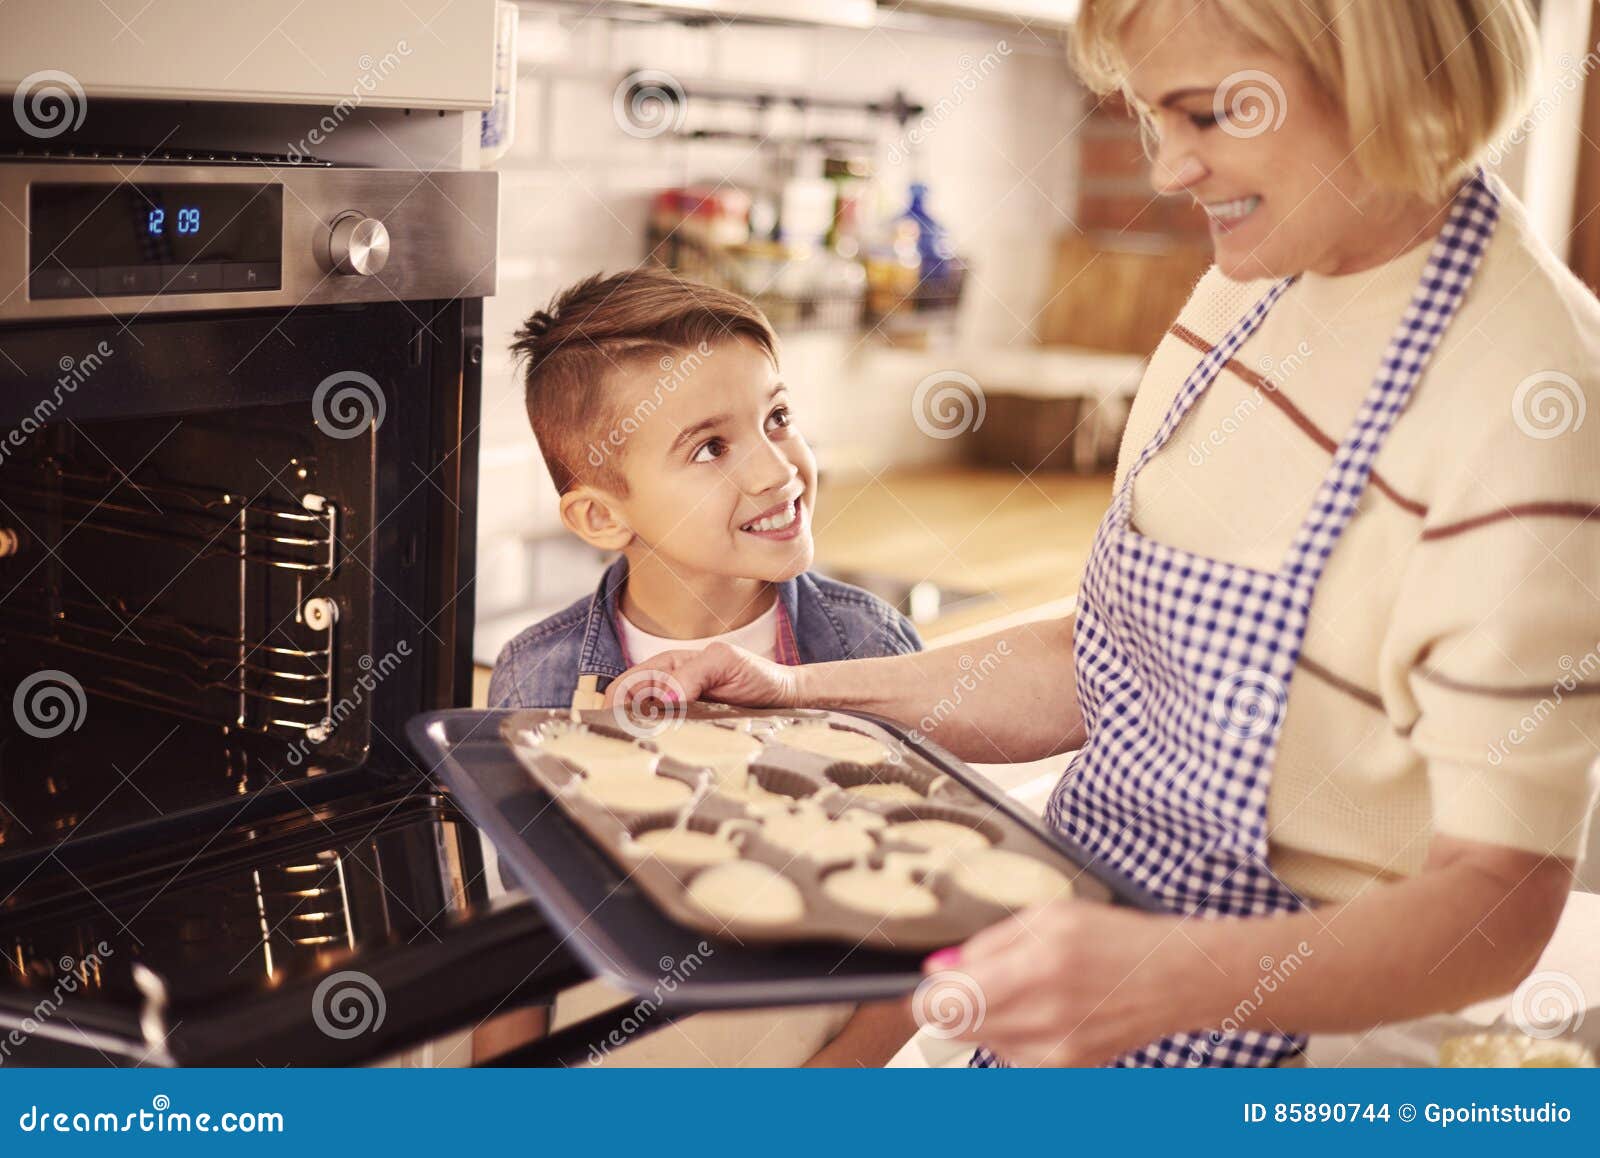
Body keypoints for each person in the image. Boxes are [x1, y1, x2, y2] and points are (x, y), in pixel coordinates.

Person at [607, 0, 1600, 1067]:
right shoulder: (1254, 283)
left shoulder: (1526, 404)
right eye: (1148, 118)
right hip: (1083, 979)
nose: (1171, 169)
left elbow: (1497, 906)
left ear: (1377, 75)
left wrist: (1154, 977)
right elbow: (1117, 662)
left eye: (1209, 114)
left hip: (1292, 1054)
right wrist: (801, 697)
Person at [480, 268, 922, 1064]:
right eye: (711, 447)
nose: (775, 470)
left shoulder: (867, 650)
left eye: (777, 417)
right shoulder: (539, 682)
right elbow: (521, 955)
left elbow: (926, 928)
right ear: (601, 515)